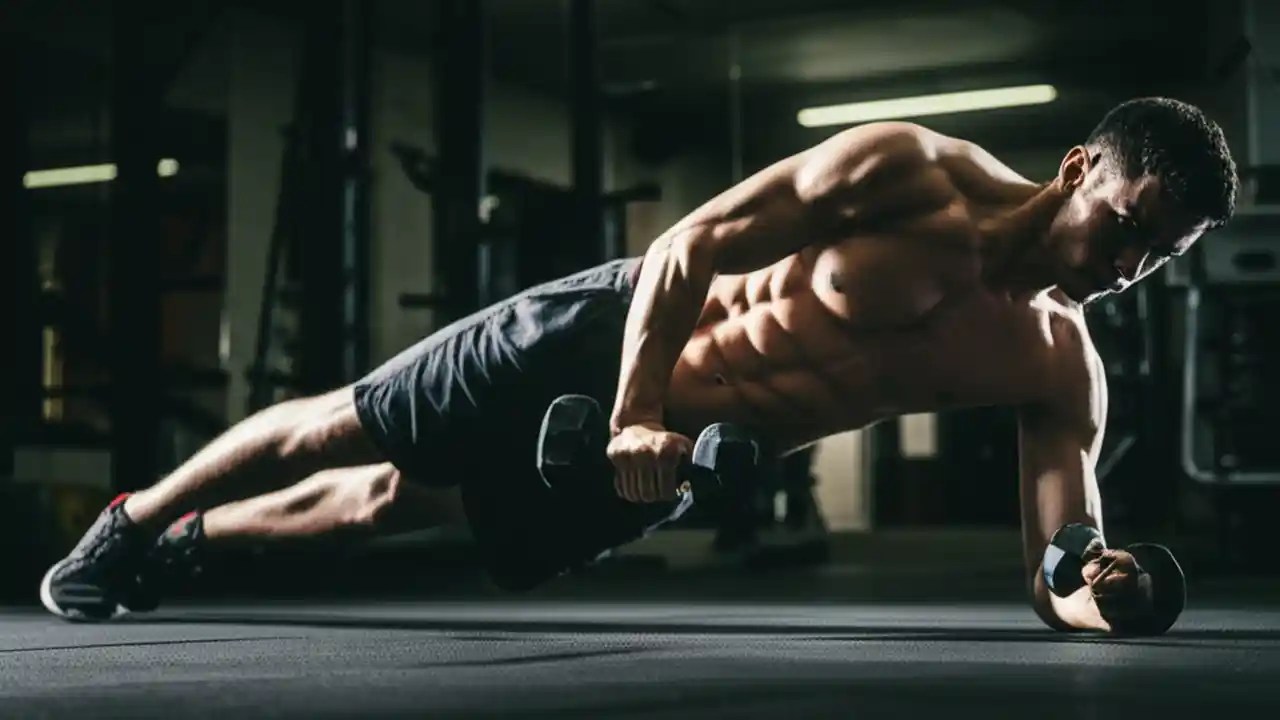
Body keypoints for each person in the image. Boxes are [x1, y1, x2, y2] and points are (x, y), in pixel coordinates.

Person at [41, 97, 1237, 635]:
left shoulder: (1055, 367)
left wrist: (1104, 598)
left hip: (662, 466)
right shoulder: (909, 171)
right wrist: (631, 410)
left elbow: (1054, 564)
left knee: (385, 507)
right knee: (341, 427)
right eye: (1125, 225)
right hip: (605, 342)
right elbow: (689, 245)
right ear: (1077, 170)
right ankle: (130, 518)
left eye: (1160, 254)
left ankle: (183, 547)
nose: (1127, 264)